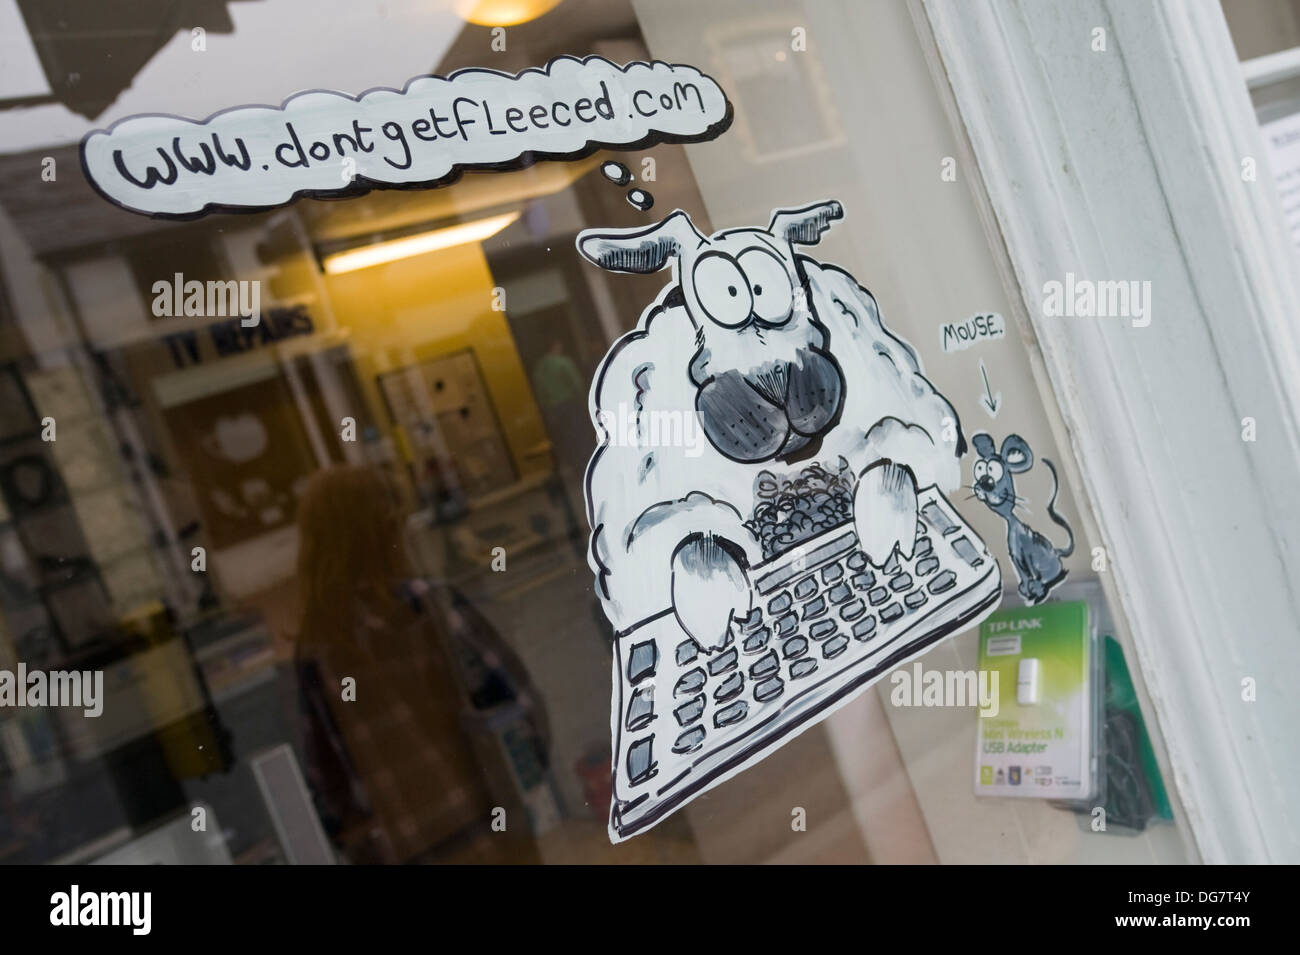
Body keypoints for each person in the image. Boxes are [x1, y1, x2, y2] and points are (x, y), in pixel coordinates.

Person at [293, 465, 544, 863]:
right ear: (388, 531)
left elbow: (328, 786)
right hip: (490, 833)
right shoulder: (433, 605)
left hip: (407, 851)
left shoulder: (316, 646)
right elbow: (521, 705)